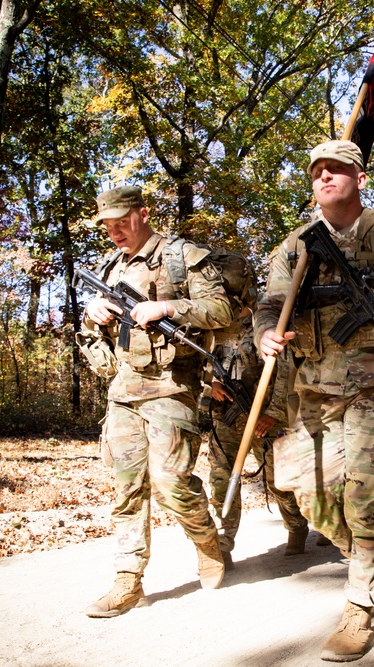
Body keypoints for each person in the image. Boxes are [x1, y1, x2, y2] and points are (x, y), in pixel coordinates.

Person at [255, 139, 374, 662]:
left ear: (360, 177)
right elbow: (268, 306)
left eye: (336, 169)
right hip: (314, 387)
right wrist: (265, 335)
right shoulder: (296, 245)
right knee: (301, 487)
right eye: (316, 170)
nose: (324, 177)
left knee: (363, 496)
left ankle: (359, 605)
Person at [77, 185, 232, 618]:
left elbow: (221, 309)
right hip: (123, 390)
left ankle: (206, 541)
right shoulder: (109, 267)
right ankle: (128, 582)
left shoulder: (184, 256)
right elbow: (93, 331)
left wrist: (166, 307)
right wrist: (93, 312)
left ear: (143, 214)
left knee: (171, 484)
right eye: (106, 225)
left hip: (172, 387)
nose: (114, 232)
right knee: (127, 488)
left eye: (121, 222)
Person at [207, 314, 309, 564]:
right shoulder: (208, 321)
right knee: (221, 478)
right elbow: (194, 363)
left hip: (264, 416)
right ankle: (222, 544)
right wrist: (208, 384)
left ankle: (296, 525)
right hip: (227, 418)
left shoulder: (263, 321)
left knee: (279, 481)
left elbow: (286, 370)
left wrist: (274, 413)